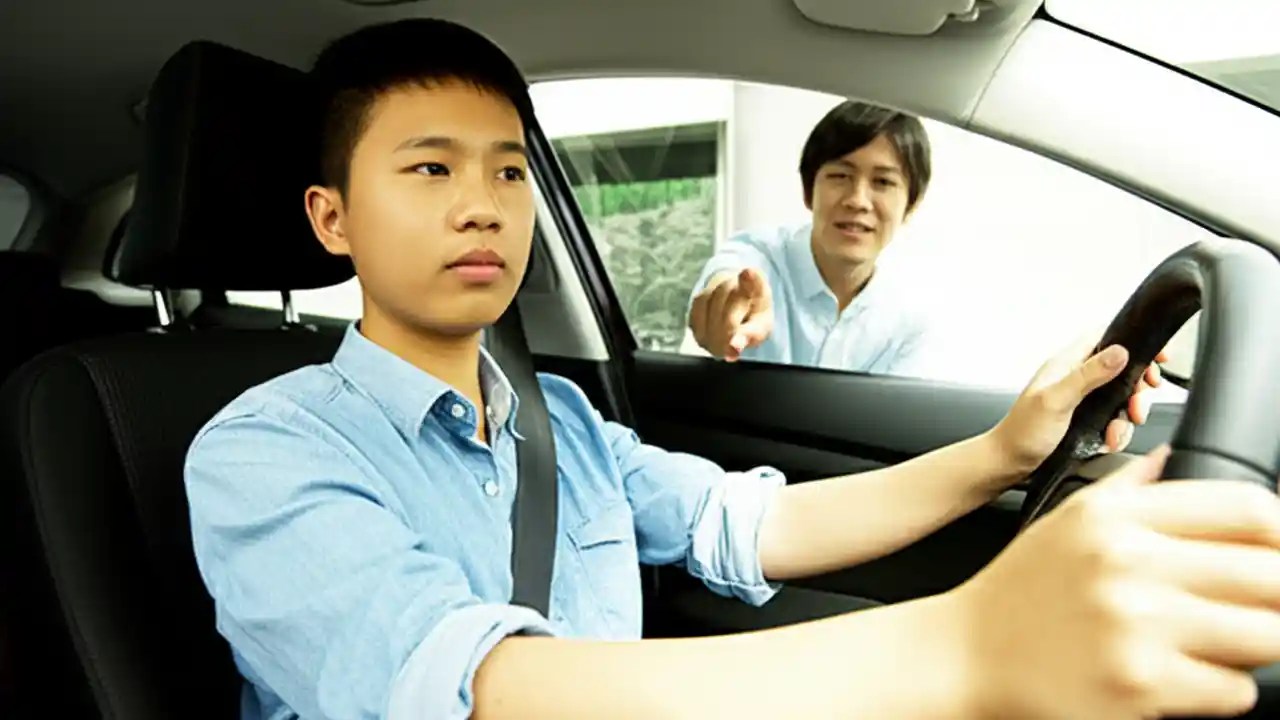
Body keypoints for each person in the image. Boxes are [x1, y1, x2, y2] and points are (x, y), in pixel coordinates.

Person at [184, 18, 1280, 720]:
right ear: (332, 219)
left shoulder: (555, 419)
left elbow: (752, 528)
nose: (482, 204)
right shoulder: (261, 453)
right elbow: (485, 690)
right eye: (429, 168)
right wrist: (971, 642)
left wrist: (1002, 451)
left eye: (511, 171)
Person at [687, 101, 931, 373]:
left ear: (911, 204)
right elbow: (726, 278)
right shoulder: (758, 256)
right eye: (840, 176)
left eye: (883, 182)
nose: (858, 201)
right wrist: (728, 309)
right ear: (808, 190)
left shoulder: (910, 320)